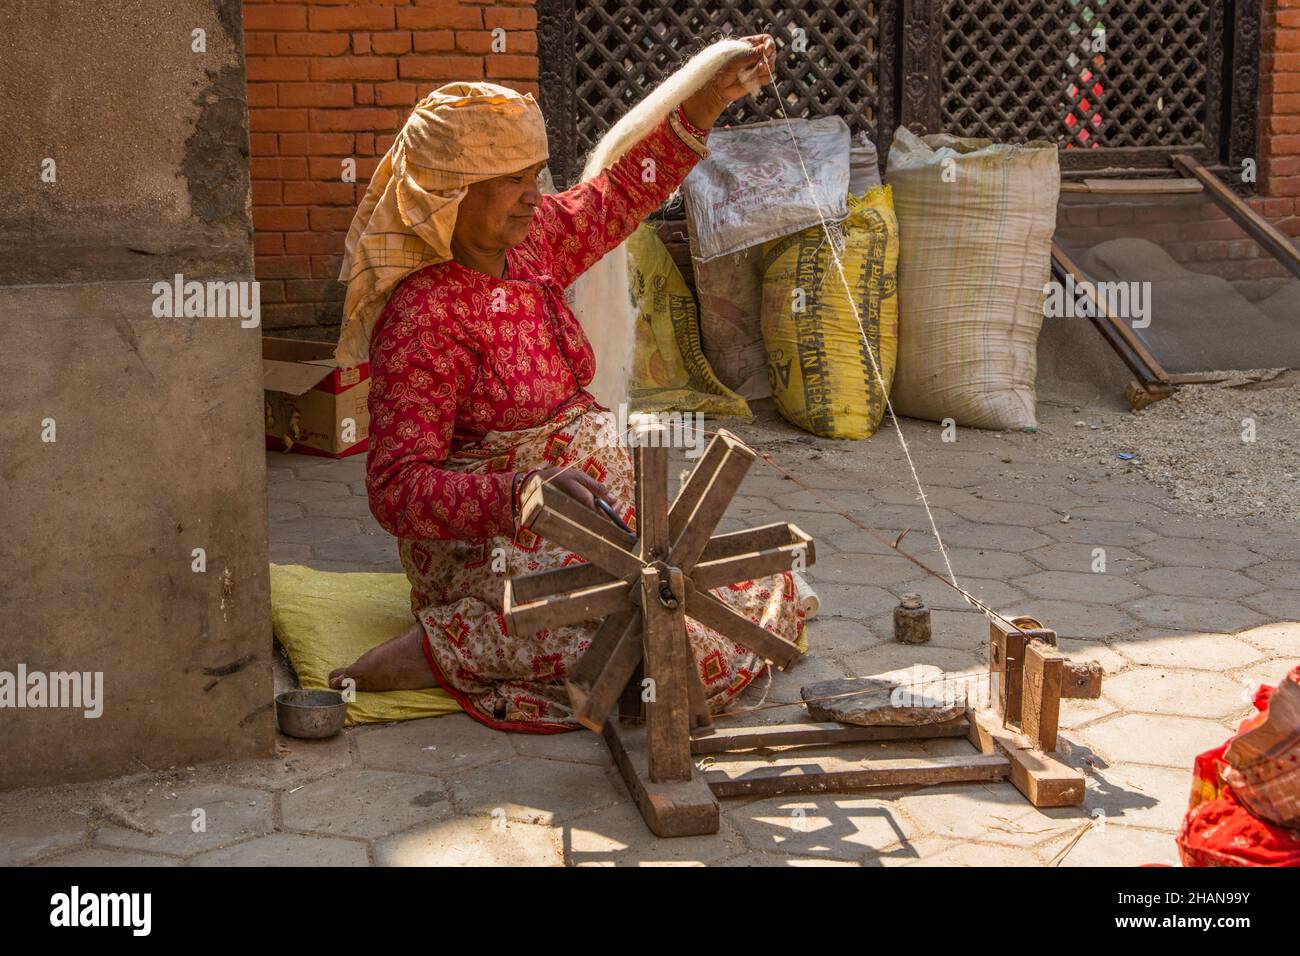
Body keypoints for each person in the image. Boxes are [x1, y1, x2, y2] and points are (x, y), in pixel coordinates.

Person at [328, 35, 807, 731]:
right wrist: (521, 493)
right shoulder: (424, 317)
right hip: (492, 543)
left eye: (536, 175)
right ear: (447, 197)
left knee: (703, 592)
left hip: (587, 513)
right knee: (657, 637)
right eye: (512, 182)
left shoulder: (534, 241)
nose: (534, 197)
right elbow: (397, 487)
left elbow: (620, 193)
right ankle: (445, 645)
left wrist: (710, 97)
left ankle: (519, 629)